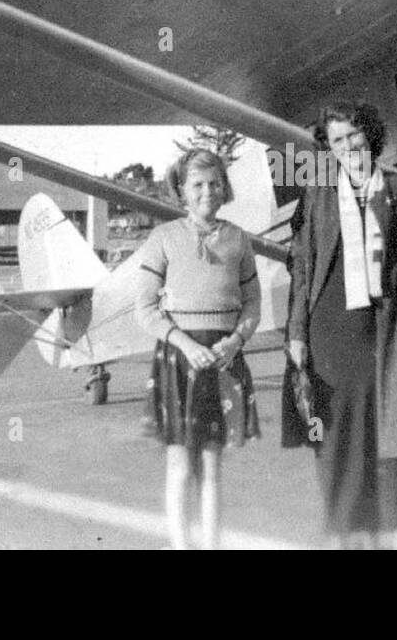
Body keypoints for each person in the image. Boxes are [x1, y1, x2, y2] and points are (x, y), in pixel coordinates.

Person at [281, 102, 397, 549]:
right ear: (328, 148)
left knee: (395, 436)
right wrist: (296, 332)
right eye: (337, 140)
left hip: (389, 329)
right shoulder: (317, 193)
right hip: (333, 328)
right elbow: (300, 267)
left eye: (354, 135)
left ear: (369, 136)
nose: (348, 145)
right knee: (339, 443)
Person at [132, 148, 261, 549]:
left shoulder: (239, 239)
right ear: (182, 192)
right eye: (198, 185)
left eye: (215, 183)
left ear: (225, 189)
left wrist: (236, 341)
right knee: (180, 464)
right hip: (179, 359)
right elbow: (145, 309)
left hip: (224, 358)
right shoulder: (164, 238)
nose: (208, 191)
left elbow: (253, 303)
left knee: (211, 464)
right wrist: (186, 344)